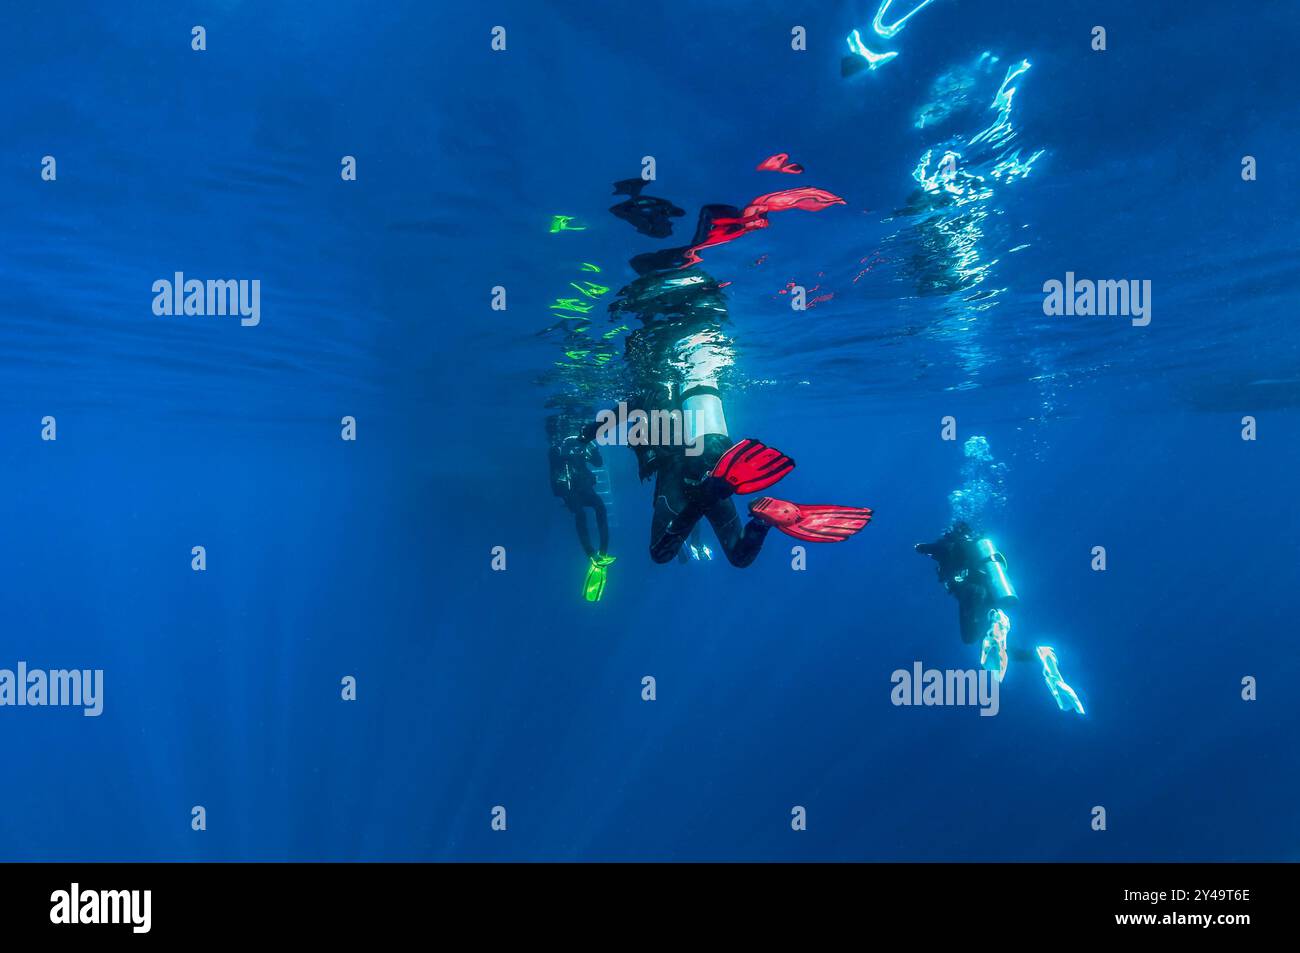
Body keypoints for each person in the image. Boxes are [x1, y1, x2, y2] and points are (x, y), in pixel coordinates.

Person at [916, 523, 1084, 713]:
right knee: (999, 647)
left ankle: (996, 622)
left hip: (971, 593)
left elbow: (935, 549)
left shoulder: (950, 545)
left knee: (970, 637)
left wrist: (921, 548)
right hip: (988, 596)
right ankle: (1039, 654)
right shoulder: (974, 548)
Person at [548, 420, 615, 601]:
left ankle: (602, 551)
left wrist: (591, 449)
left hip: (584, 488)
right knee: (580, 513)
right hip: (569, 491)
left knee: (600, 507)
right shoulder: (557, 447)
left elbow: (599, 463)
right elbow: (555, 464)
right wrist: (570, 451)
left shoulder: (583, 445)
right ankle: (590, 553)